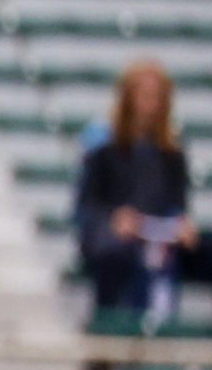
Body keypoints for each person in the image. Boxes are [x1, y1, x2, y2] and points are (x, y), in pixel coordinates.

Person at [74, 60, 207, 334]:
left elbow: (177, 205)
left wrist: (182, 224)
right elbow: (88, 206)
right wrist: (116, 219)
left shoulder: (173, 153)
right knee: (115, 253)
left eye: (158, 96)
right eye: (145, 95)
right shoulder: (104, 150)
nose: (152, 103)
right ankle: (106, 341)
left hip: (158, 233)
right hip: (115, 238)